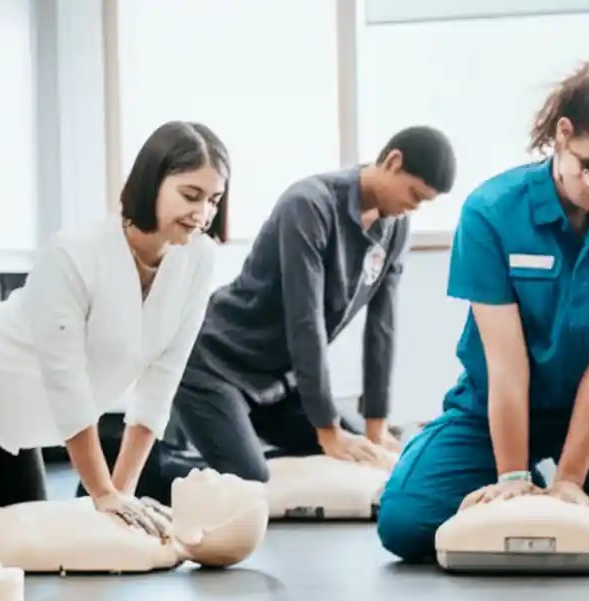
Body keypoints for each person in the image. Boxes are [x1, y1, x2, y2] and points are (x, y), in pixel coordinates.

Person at [0, 120, 229, 563]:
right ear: (151, 181)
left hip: (8, 427)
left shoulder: (199, 260)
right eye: (191, 195)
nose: (203, 213)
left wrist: (122, 496)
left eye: (213, 199)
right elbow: (66, 384)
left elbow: (161, 382)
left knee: (18, 560)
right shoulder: (75, 251)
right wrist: (102, 493)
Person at [376, 60, 589, 569]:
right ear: (564, 135)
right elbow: (506, 364)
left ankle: (564, 477)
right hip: (491, 402)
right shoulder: (492, 210)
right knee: (406, 524)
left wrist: (570, 482)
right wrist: (514, 478)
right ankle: (493, 464)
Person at [130, 127, 455, 503]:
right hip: (216, 364)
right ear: (393, 161)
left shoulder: (395, 226)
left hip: (279, 380)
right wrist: (326, 429)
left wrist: (376, 426)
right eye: (414, 195)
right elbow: (306, 321)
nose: (413, 208)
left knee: (359, 455)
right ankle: (142, 466)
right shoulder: (310, 204)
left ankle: (239, 445)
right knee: (249, 479)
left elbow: (382, 327)